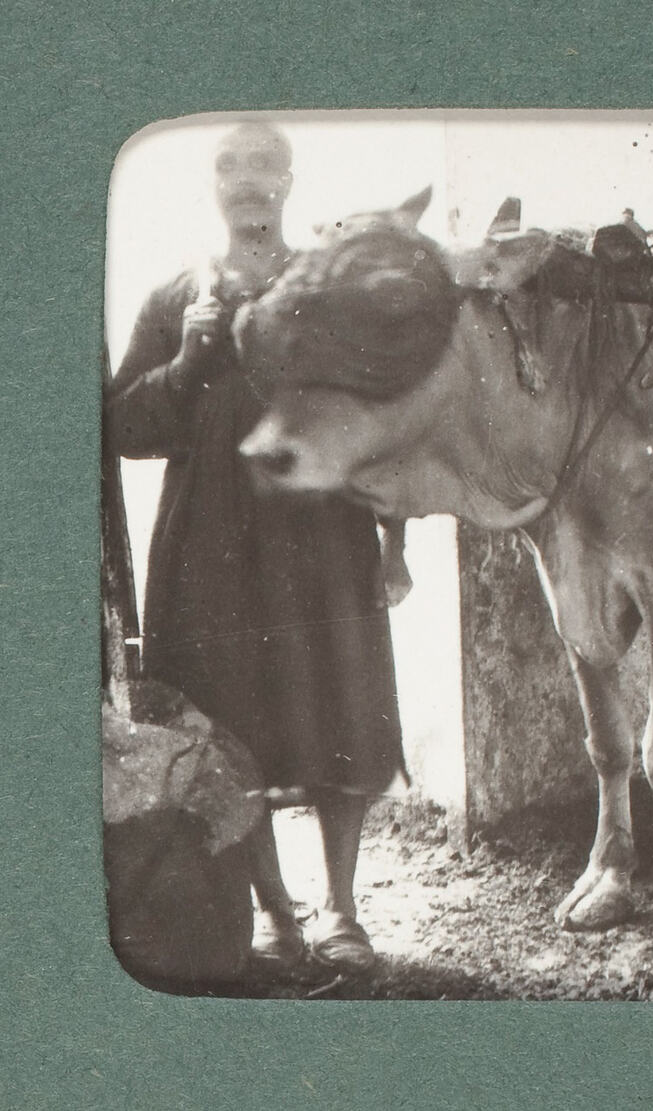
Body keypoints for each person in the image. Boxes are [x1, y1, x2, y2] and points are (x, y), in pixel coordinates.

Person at [106, 121, 409, 975]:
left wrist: (395, 542)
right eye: (229, 166)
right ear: (213, 185)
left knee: (339, 713)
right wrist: (186, 362)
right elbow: (121, 426)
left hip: (323, 536)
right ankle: (278, 913)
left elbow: (386, 418)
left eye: (263, 165)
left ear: (288, 180)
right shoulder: (177, 298)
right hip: (209, 547)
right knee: (231, 728)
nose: (246, 180)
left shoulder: (330, 293)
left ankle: (343, 911)